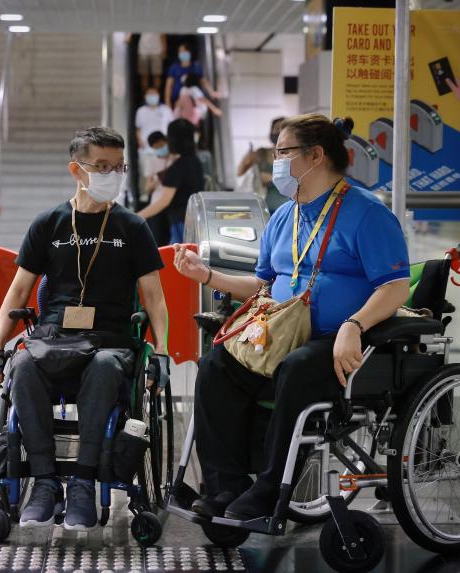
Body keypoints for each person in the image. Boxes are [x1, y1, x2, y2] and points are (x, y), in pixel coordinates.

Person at [173, 114, 411, 520]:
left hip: (334, 339)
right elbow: (263, 285)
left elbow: (395, 287)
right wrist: (208, 275)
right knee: (217, 365)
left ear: (316, 156)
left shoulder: (367, 214)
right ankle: (225, 486)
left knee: (297, 367)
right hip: (279, 332)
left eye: (282, 152)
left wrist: (354, 326)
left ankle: (269, 490)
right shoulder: (285, 215)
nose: (275, 160)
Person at [0, 127, 170, 531]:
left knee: (104, 366)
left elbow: (154, 298)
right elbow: (18, 291)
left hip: (110, 342)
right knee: (23, 366)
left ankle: (84, 482)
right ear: (76, 170)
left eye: (118, 167)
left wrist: (163, 351)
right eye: (101, 166)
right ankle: (46, 485)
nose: (112, 174)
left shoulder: (132, 228)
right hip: (53, 340)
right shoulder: (48, 224)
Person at [137, 119, 204, 244]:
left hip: (181, 220)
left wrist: (136, 216)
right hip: (195, 218)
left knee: (177, 256)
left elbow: (164, 201)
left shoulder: (178, 167)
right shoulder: (195, 161)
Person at [237, 117, 287, 214]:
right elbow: (239, 172)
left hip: (285, 210)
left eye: (283, 129)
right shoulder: (261, 153)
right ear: (271, 131)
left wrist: (272, 179)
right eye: (277, 129)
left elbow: (299, 182)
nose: (280, 132)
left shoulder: (295, 156)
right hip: (262, 209)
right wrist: (246, 160)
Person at [164, 43, 218, 109]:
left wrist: (211, 92)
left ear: (190, 53)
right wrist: (167, 102)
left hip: (194, 99)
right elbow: (168, 86)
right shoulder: (174, 68)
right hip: (178, 100)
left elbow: (203, 80)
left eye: (185, 51)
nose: (183, 53)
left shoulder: (196, 67)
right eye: (181, 51)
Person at [142, 131, 172, 246]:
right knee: (158, 238)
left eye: (162, 145)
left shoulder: (174, 158)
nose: (160, 148)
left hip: (172, 204)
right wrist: (159, 178)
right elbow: (147, 188)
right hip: (157, 204)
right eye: (157, 147)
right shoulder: (151, 161)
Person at [135, 87, 173, 152]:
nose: (152, 96)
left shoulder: (166, 109)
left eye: (153, 94)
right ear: (145, 96)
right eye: (149, 94)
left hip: (163, 147)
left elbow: (172, 127)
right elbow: (138, 129)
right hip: (146, 148)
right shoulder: (141, 110)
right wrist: (140, 142)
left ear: (158, 95)